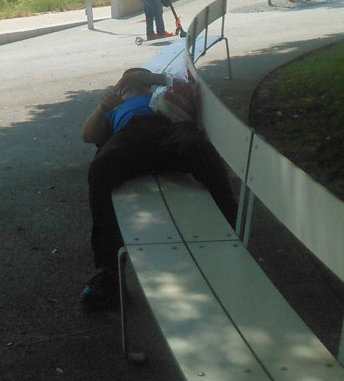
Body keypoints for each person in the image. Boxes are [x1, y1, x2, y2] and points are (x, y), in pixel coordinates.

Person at [79, 67, 237, 309]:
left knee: (199, 150)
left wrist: (148, 79)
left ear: (146, 83)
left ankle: (233, 231)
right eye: (123, 84)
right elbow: (88, 136)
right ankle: (109, 272)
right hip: (130, 136)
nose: (127, 85)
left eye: (133, 81)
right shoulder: (114, 107)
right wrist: (102, 108)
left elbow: (183, 84)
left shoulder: (160, 92)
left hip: (168, 126)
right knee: (100, 168)